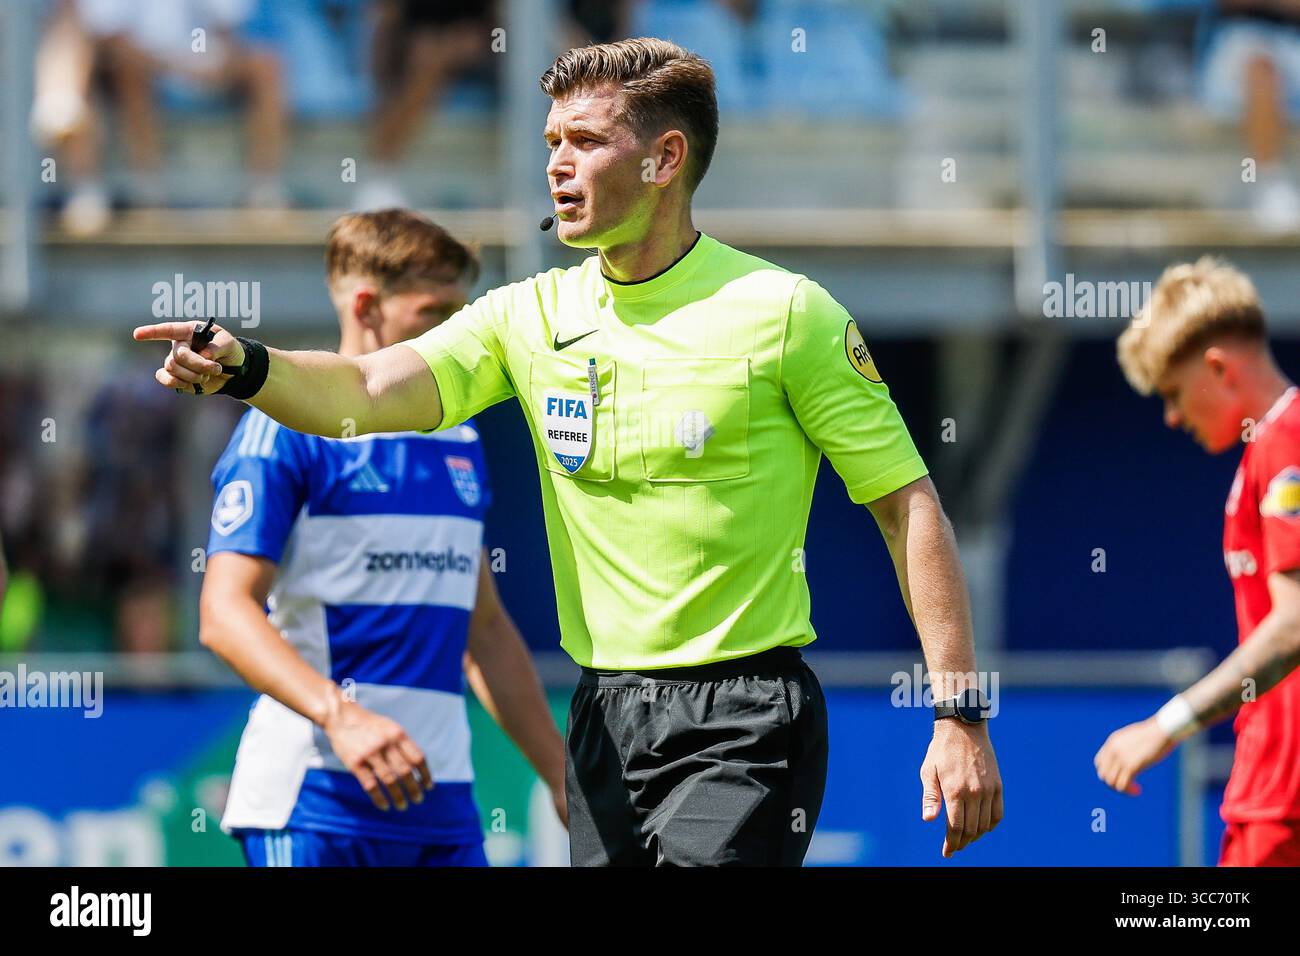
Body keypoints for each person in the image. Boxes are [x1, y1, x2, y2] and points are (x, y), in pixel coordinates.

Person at [136, 38, 1002, 867]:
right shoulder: (530, 315)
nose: (556, 163)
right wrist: (248, 365)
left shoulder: (786, 313)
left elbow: (907, 506)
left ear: (664, 159)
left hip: (744, 714)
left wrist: (958, 712)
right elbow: (362, 392)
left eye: (584, 141)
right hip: (601, 712)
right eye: (551, 140)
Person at [199, 209, 565, 866]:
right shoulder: (284, 429)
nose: (462, 330)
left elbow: (483, 631)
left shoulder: (457, 436)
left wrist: (563, 777)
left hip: (442, 805)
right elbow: (224, 615)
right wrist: (341, 715)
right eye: (437, 311)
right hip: (316, 805)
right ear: (367, 306)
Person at [1099, 256, 1300, 866]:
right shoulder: (1265, 452)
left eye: (1174, 393)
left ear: (1217, 367)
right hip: (1270, 786)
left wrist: (1166, 725)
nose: (1173, 417)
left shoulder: (1284, 444)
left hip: (1286, 795)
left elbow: (1294, 625)